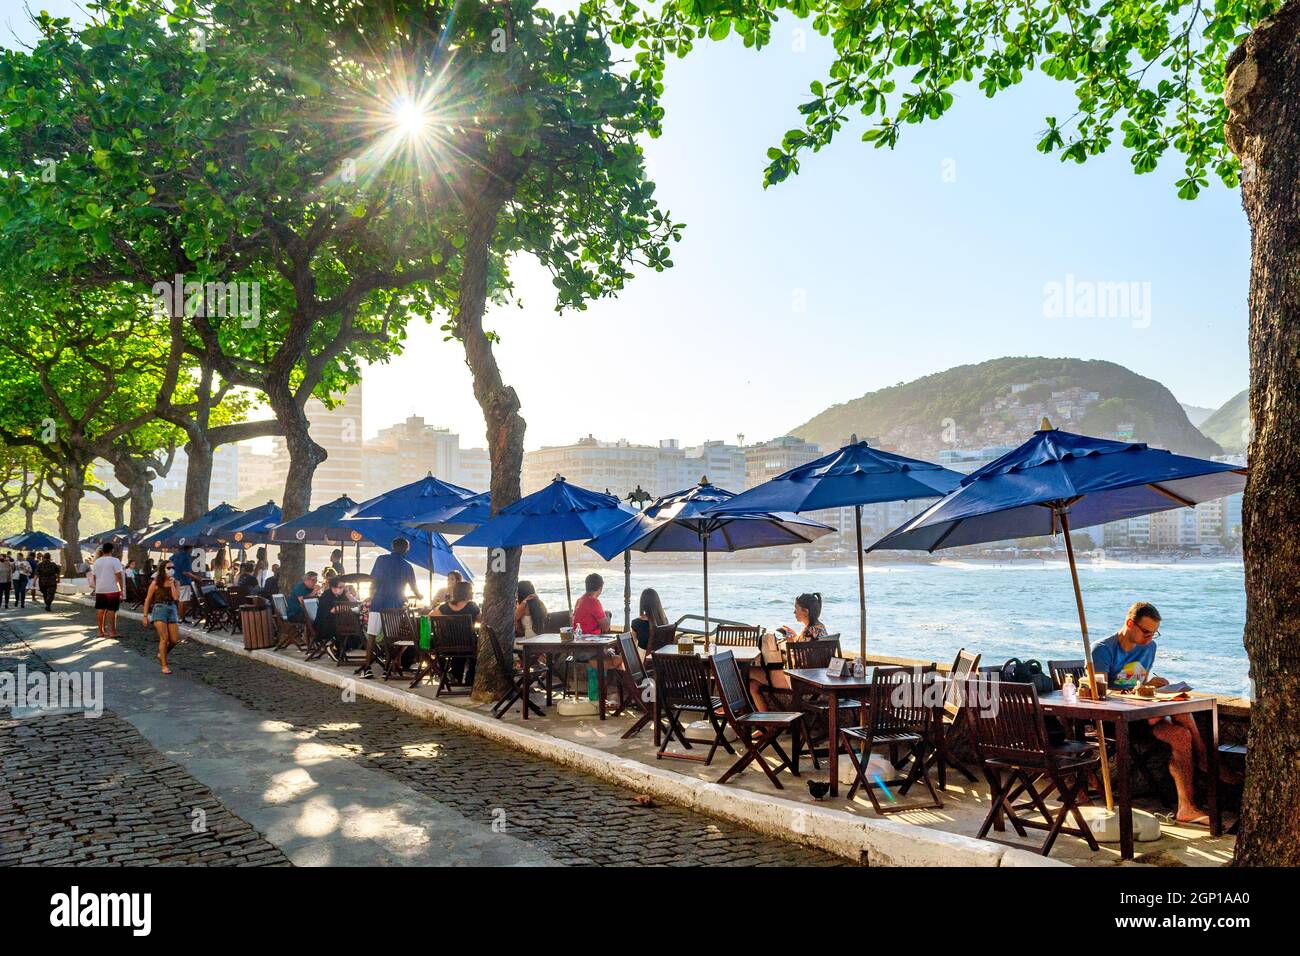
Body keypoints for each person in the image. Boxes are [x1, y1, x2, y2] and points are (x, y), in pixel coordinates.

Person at [1092, 601, 1216, 826]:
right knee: (1182, 718)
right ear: (1130, 623)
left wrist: (1154, 686)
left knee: (1181, 729)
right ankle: (1205, 758)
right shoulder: (1102, 649)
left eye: (1154, 633)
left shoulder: (1149, 647)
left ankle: (1186, 807)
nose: (1150, 638)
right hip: (1115, 719)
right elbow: (1100, 692)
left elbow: (1139, 682)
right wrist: (1137, 690)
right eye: (1146, 632)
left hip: (1142, 714)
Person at [750, 592, 828, 711]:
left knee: (747, 673)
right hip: (815, 679)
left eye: (796, 609)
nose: (794, 612)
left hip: (799, 681)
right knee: (753, 685)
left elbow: (797, 661)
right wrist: (795, 639)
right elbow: (808, 653)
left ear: (805, 611)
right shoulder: (820, 628)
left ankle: (737, 712)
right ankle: (767, 724)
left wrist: (790, 644)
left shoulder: (807, 632)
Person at [356, 538, 420, 680]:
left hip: (378, 603)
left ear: (392, 546)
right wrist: (420, 597)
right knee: (390, 639)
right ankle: (387, 668)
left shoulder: (381, 560)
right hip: (395, 607)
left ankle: (367, 668)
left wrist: (372, 595)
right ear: (406, 549)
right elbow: (414, 588)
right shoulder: (408, 566)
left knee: (372, 636)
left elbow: (372, 580)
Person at [434, 579, 480, 684]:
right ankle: (470, 678)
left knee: (459, 645)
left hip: (447, 645)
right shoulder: (472, 606)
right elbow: (483, 621)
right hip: (468, 646)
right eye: (471, 591)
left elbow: (429, 617)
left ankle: (455, 675)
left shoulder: (444, 607)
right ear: (467, 592)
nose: (473, 593)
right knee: (479, 647)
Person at [142, 560, 182, 675]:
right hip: (159, 609)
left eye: (172, 568)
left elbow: (175, 597)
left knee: (174, 640)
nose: (171, 570)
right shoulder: (156, 583)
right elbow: (148, 599)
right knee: (164, 638)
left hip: (172, 608)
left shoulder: (176, 582)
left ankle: (161, 654)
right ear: (163, 569)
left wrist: (172, 584)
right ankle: (164, 665)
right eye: (169, 568)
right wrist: (145, 616)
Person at [90, 542, 126, 638]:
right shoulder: (115, 561)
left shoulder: (97, 562)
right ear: (112, 550)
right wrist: (121, 589)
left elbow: (94, 577)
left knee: (100, 610)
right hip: (112, 588)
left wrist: (97, 587)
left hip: (100, 589)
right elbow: (119, 576)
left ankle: (100, 631)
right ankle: (112, 632)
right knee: (112, 610)